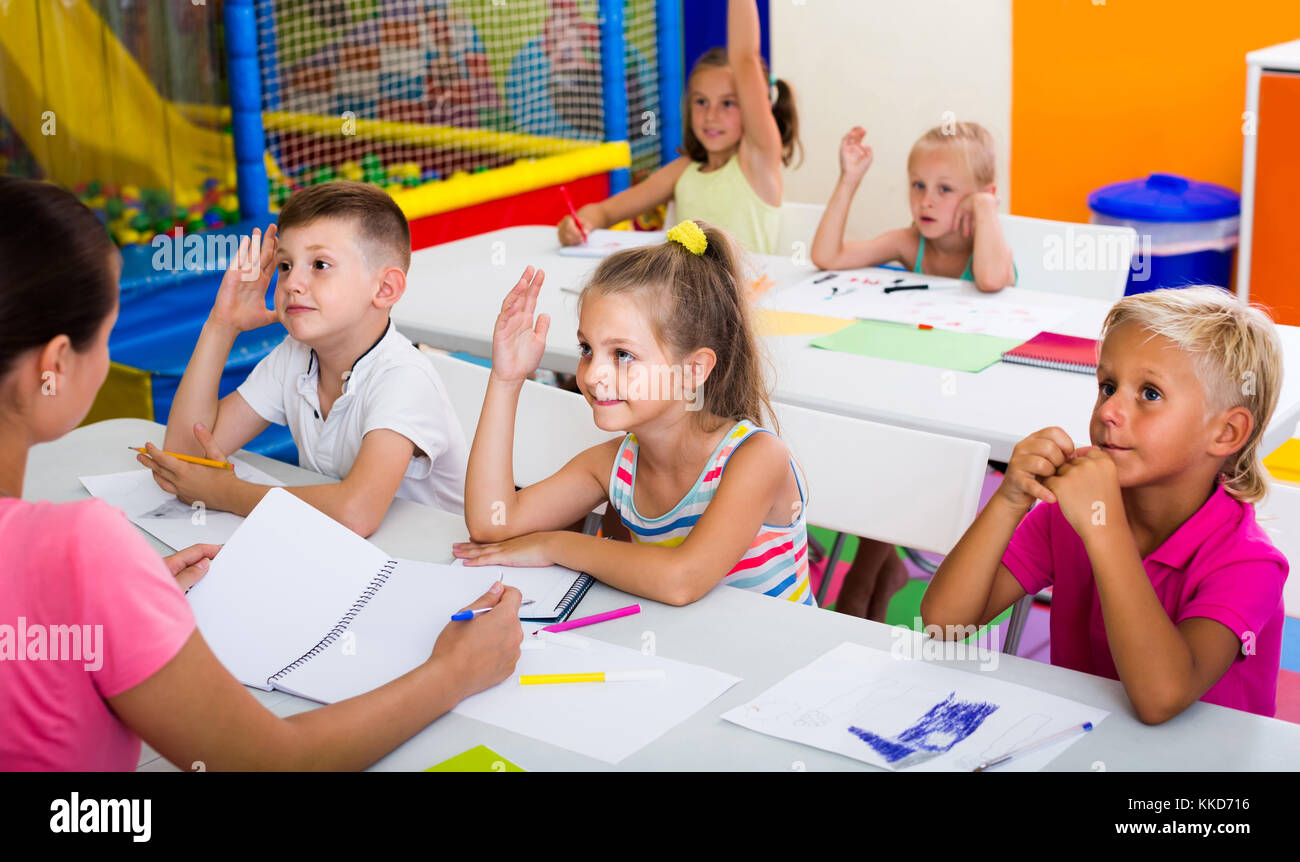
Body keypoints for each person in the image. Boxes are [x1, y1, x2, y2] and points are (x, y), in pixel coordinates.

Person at [0, 177, 521, 770]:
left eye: (319, 265)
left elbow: (354, 511)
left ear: (386, 288)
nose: (293, 281)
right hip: (352, 576)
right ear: (55, 365)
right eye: (285, 265)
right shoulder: (294, 358)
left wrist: (225, 490)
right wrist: (221, 323)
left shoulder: (399, 377)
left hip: (430, 571)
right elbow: (193, 451)